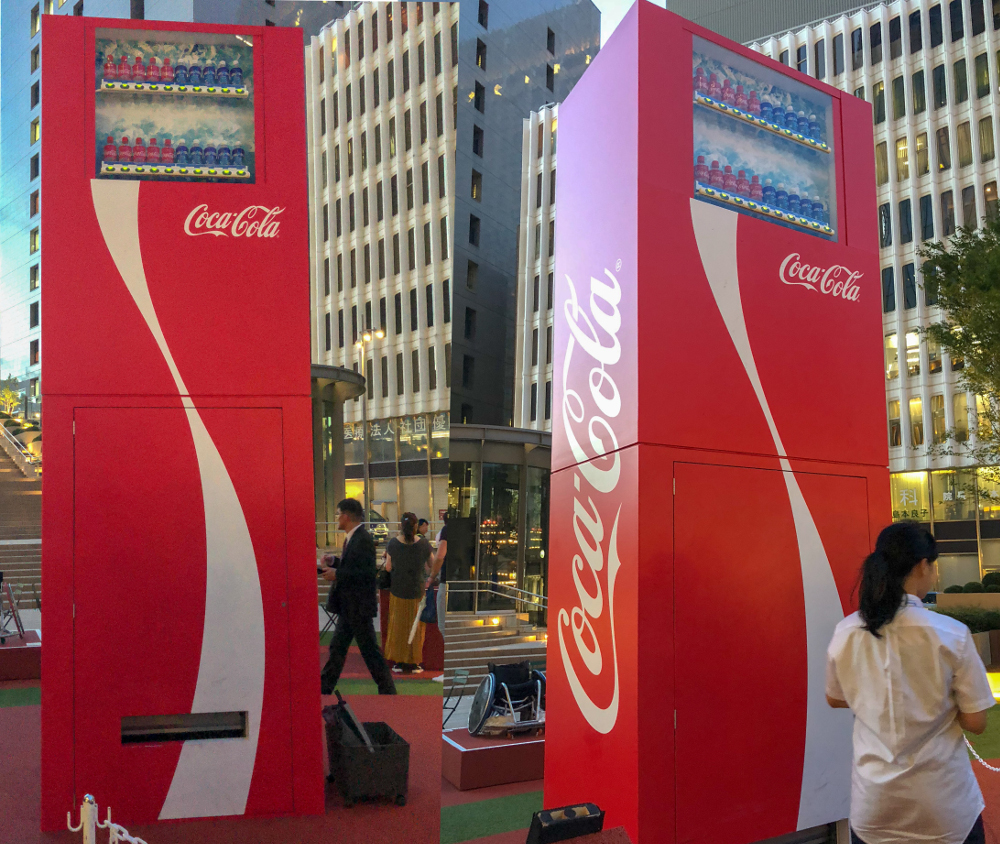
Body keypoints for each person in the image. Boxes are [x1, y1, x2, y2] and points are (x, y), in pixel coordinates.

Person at [826, 522, 994, 844]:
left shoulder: (847, 631)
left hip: (873, 808)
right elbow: (976, 721)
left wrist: (875, 697)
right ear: (922, 565)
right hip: (944, 809)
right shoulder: (951, 633)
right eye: (933, 566)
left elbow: (834, 697)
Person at [320, 498, 396, 695]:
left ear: (346, 516)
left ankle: (387, 688)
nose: (337, 518)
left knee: (367, 651)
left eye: (338, 514)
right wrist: (335, 561)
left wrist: (338, 573)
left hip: (357, 606)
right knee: (339, 649)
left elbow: (365, 573)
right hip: (351, 606)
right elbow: (355, 568)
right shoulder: (355, 538)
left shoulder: (361, 539)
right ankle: (324, 686)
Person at [384, 512, 432, 673]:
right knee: (416, 628)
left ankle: (399, 661)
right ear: (416, 526)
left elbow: (388, 567)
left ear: (400, 526)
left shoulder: (392, 544)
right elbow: (431, 564)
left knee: (398, 627)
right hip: (417, 591)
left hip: (398, 590)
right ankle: (415, 661)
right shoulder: (424, 544)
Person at [428, 517, 448, 642]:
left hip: (446, 581)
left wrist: (431, 576)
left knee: (443, 625)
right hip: (464, 583)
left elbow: (440, 556)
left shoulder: (446, 530)